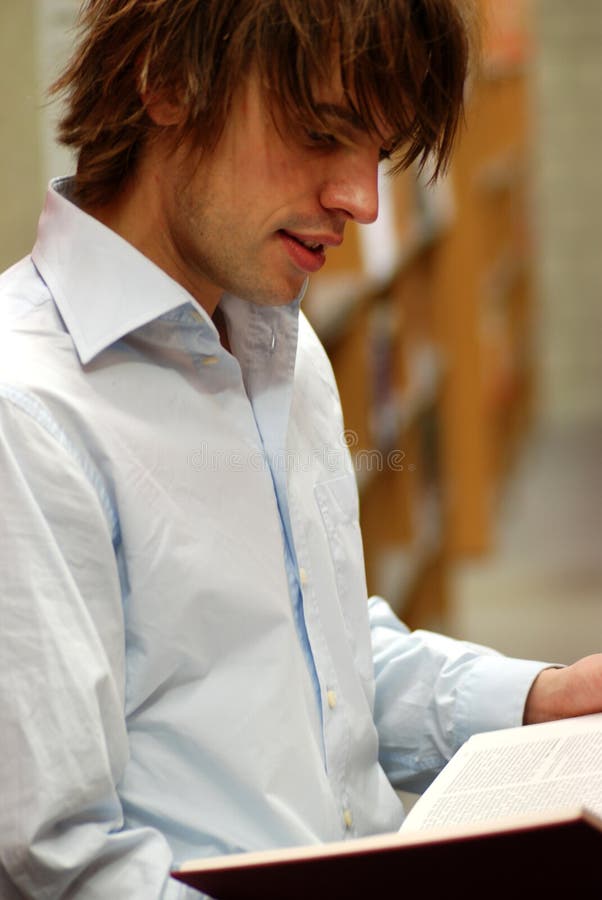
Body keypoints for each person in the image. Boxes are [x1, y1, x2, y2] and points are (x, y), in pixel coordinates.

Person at [1, 1, 601, 897]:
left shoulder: (278, 338)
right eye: (321, 134)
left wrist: (540, 698)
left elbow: (318, 660)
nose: (362, 201)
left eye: (379, 152)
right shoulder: (27, 415)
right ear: (168, 82)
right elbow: (66, 866)